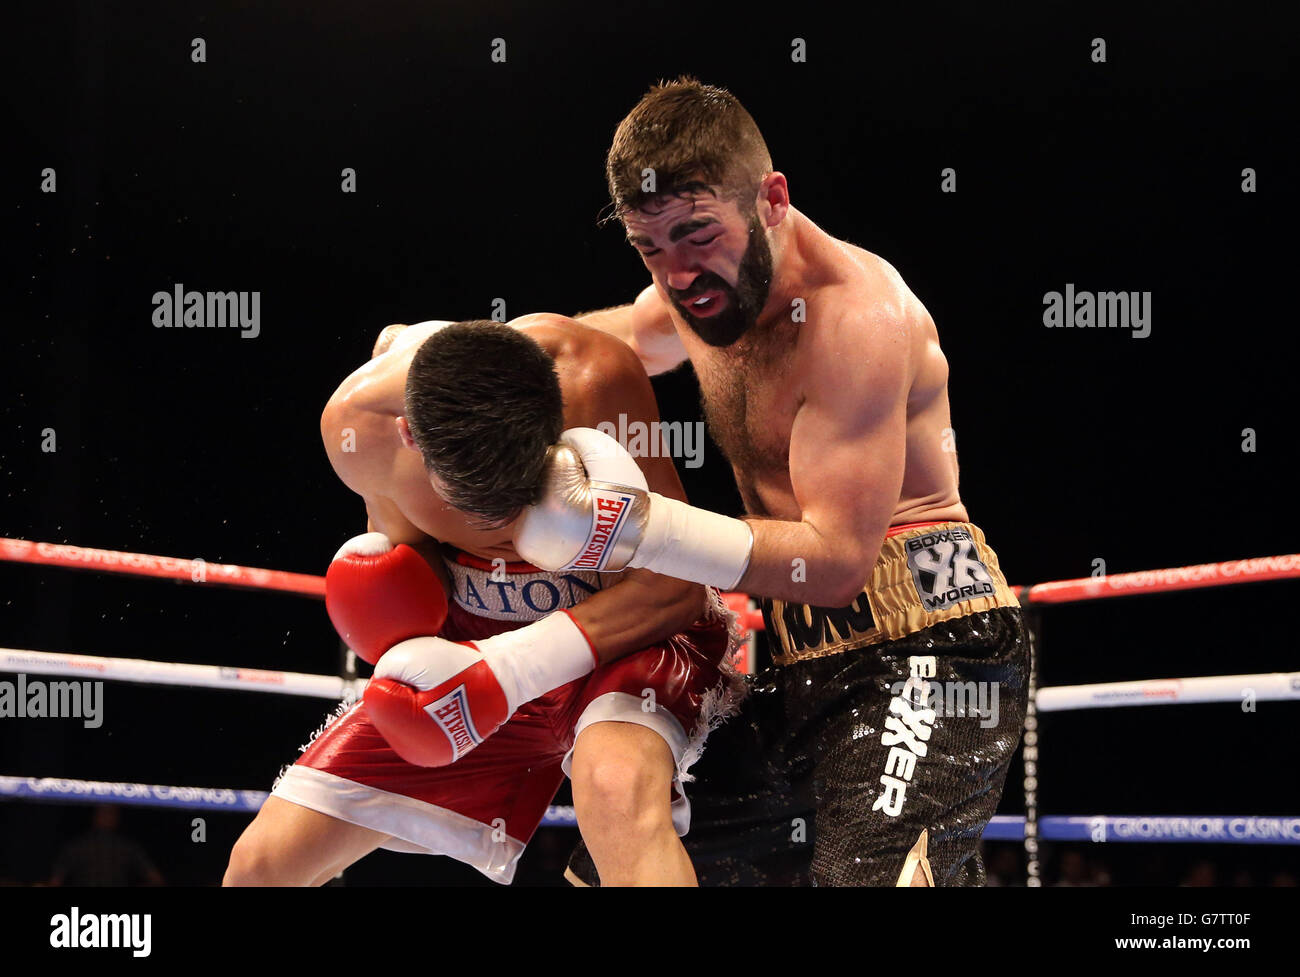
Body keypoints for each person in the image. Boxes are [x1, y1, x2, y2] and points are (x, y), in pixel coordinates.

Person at [522, 76, 1030, 885]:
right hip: (799, 658)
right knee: (621, 854)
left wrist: (636, 525)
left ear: (771, 198)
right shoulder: (700, 297)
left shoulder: (855, 320)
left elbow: (834, 562)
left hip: (932, 647)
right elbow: (597, 343)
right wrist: (458, 355)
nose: (679, 274)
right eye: (650, 247)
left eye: (696, 233)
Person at [223, 315, 735, 887]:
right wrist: (391, 620)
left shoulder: (596, 379)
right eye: (476, 506)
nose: (506, 527)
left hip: (629, 637)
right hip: (475, 654)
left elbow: (677, 586)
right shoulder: (360, 430)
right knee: (260, 866)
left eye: (523, 493)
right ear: (410, 436)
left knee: (616, 798)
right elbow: (421, 587)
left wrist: (509, 670)